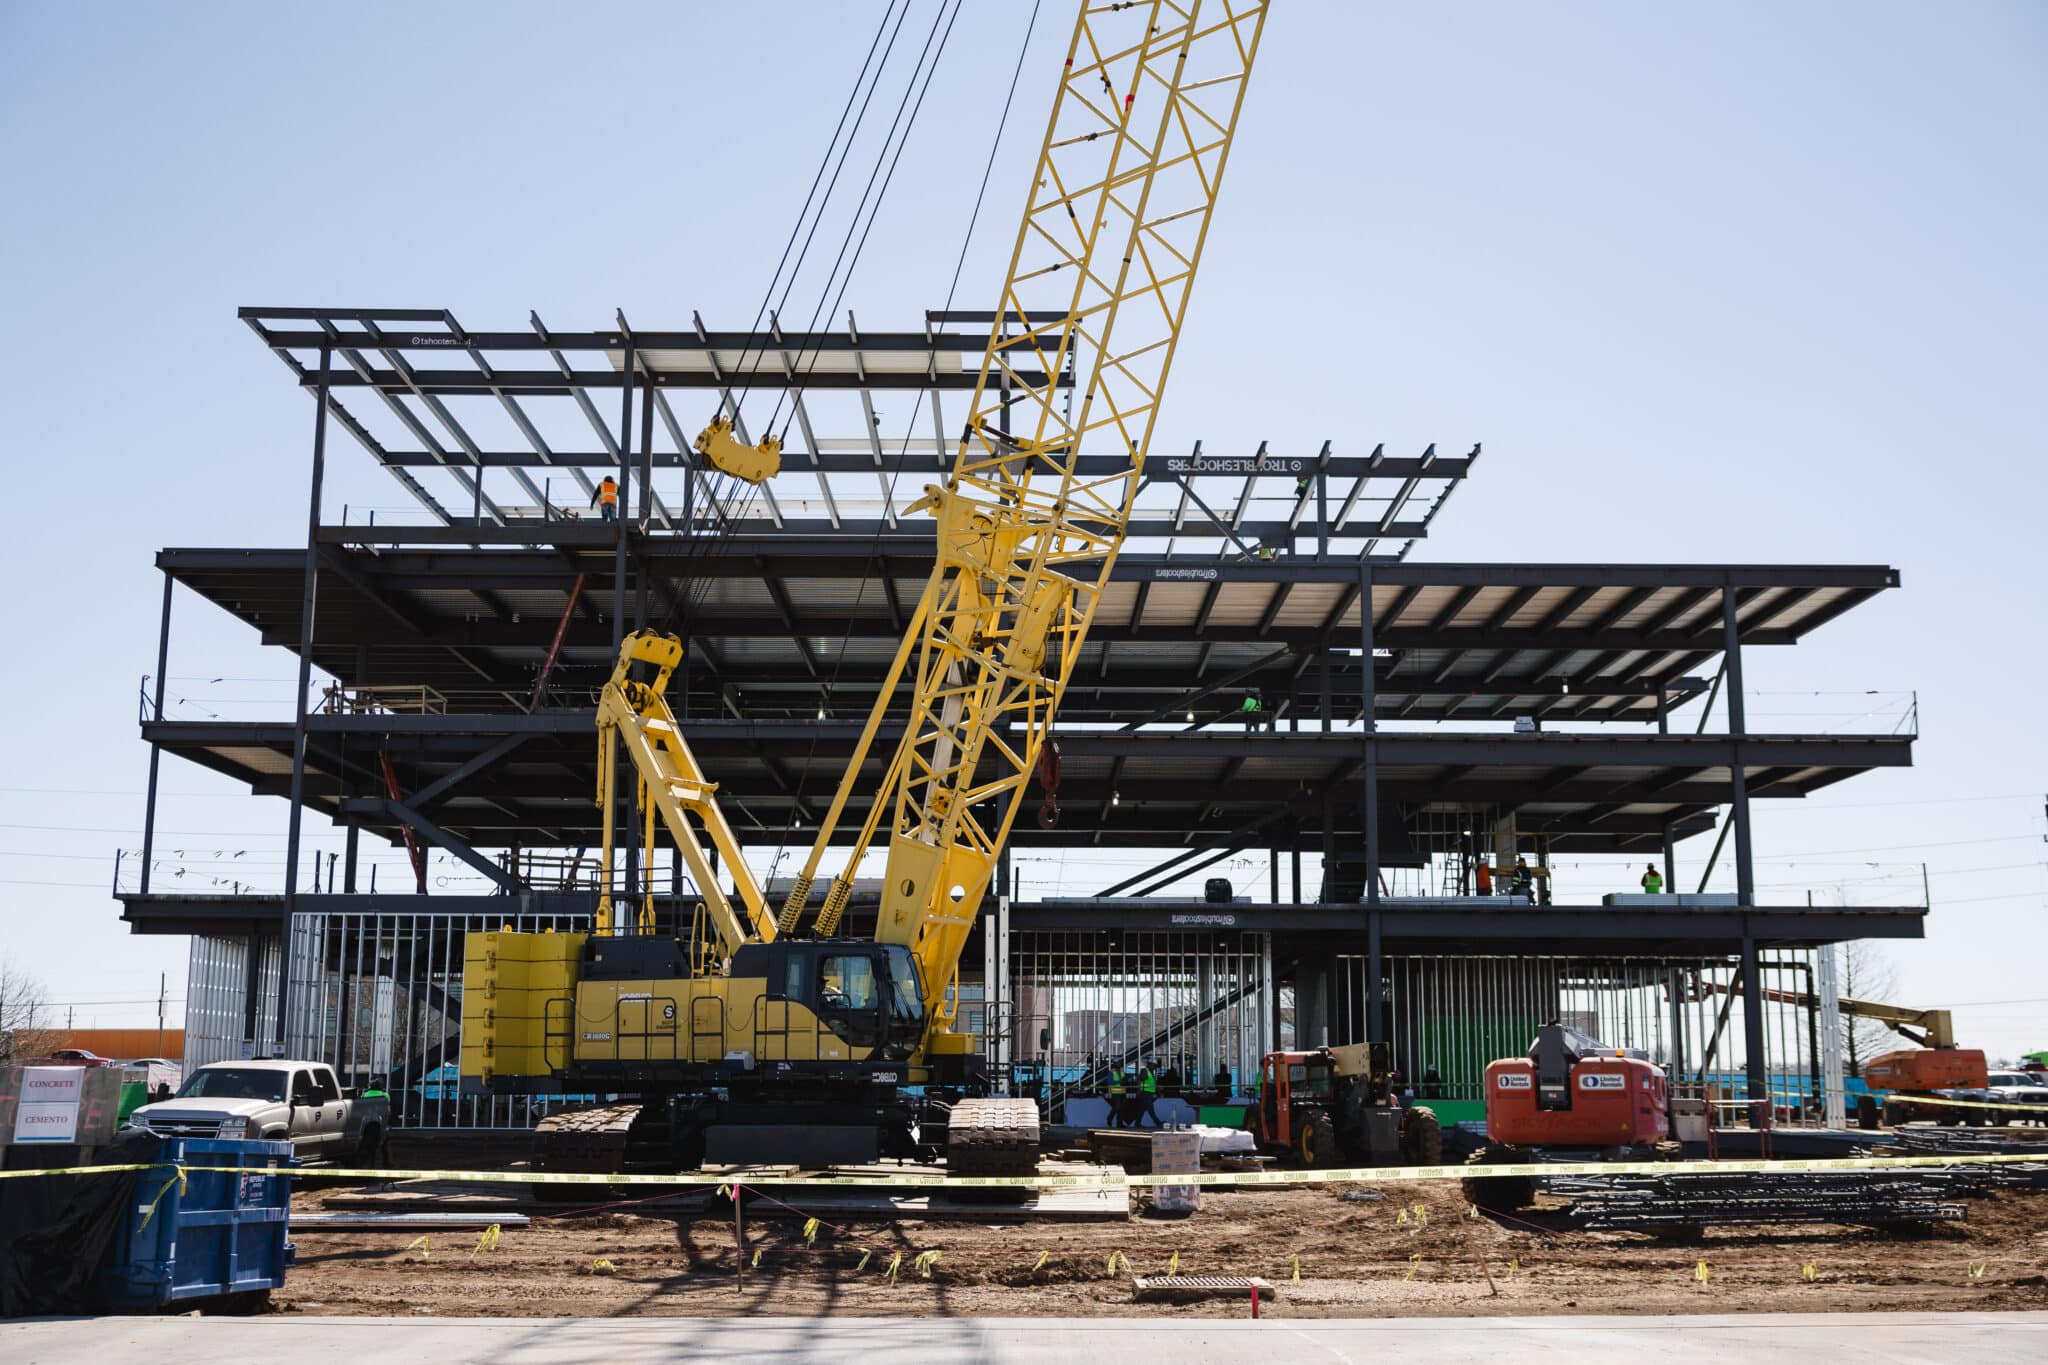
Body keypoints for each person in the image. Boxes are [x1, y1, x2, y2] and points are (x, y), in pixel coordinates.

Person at [1138, 1060, 1159, 1128]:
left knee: (1142, 1109)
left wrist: (1156, 1090)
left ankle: (1137, 1123)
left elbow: (1151, 1083)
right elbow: (1139, 1080)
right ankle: (1157, 1122)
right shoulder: (1144, 1070)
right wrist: (1138, 1090)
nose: (1155, 1067)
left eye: (1155, 1066)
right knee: (1150, 1108)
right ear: (1150, 1064)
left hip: (1148, 1092)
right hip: (1145, 1092)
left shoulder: (1151, 1072)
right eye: (1154, 1065)